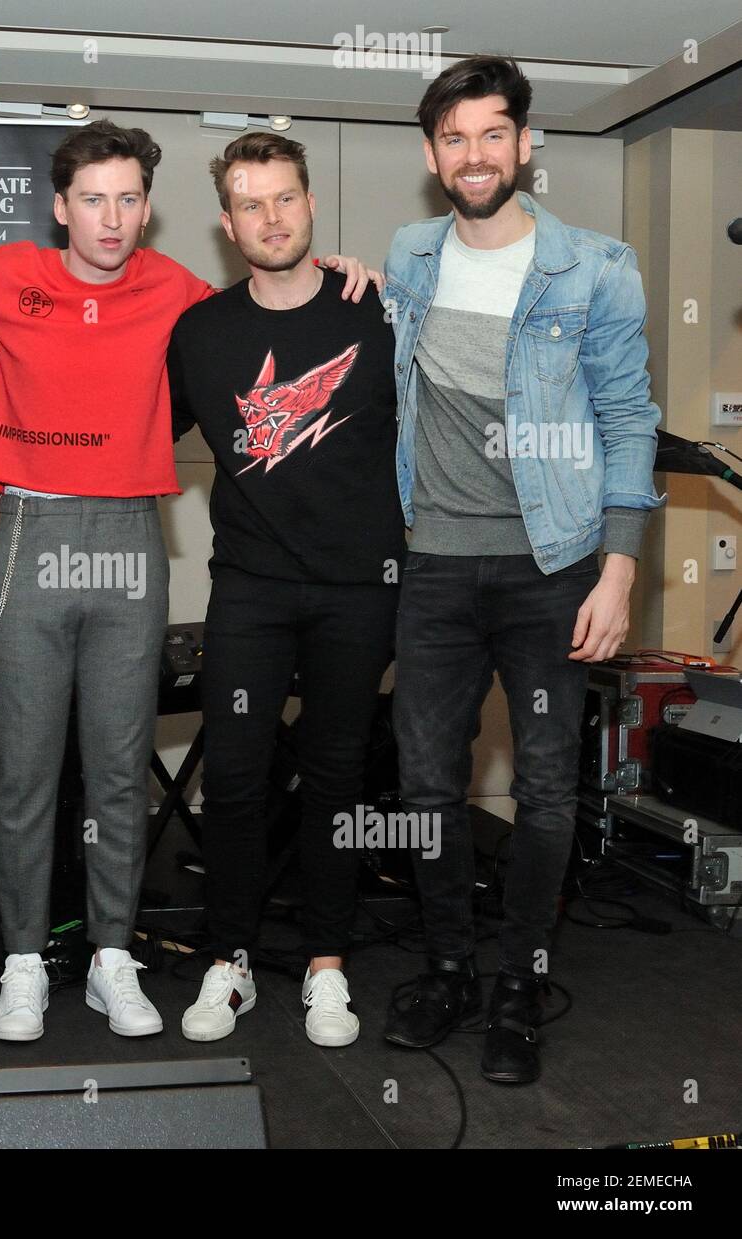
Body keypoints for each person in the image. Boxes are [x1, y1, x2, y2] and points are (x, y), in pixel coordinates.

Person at [0, 119, 378, 1042]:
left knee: (118, 771)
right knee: (24, 772)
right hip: (28, 531)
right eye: (93, 200)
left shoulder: (182, 295)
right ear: (59, 208)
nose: (111, 218)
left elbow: (277, 291)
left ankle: (114, 953)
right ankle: (24, 962)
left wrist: (344, 270)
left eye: (128, 200)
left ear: (148, 212)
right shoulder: (2, 275)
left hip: (129, 538)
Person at [380, 55, 664, 1083]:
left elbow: (631, 422)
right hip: (436, 567)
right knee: (422, 781)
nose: (473, 155)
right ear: (429, 155)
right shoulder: (409, 255)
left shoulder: (596, 265)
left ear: (525, 145)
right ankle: (450, 965)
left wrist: (619, 573)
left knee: (546, 789)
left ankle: (517, 982)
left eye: (492, 135)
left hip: (554, 565)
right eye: (453, 139)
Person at [168, 133, 405, 1046]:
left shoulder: (376, 311)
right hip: (253, 590)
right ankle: (227, 962)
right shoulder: (201, 332)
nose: (271, 219)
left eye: (285, 199)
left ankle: (326, 965)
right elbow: (124, 423)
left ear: (311, 206)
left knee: (337, 778)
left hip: (361, 587)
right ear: (227, 223)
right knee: (231, 777)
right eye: (250, 205)